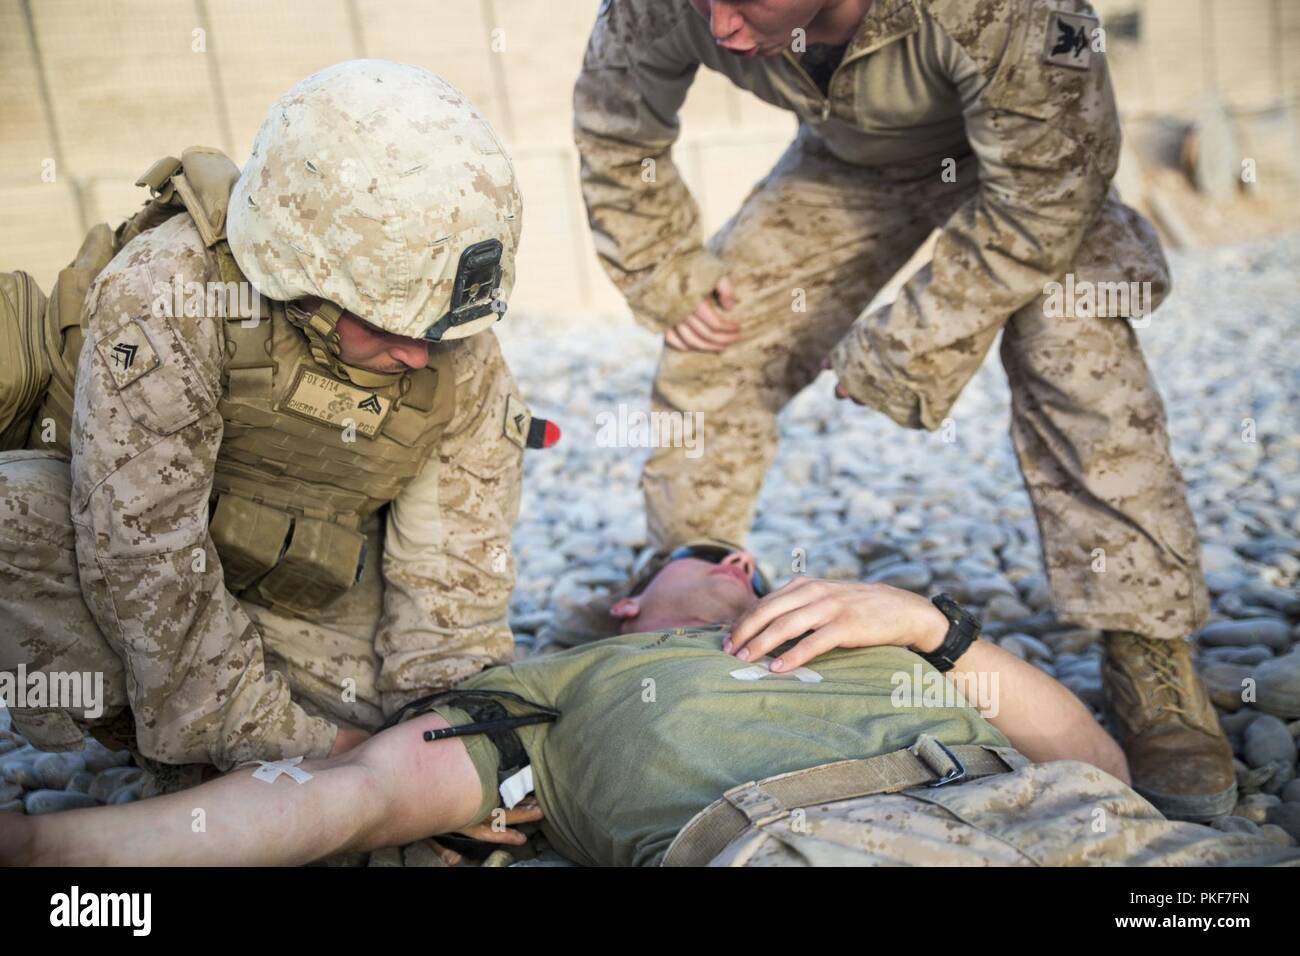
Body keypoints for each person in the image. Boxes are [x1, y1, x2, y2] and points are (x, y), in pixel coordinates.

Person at [570, 0, 1233, 819]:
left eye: (748, 4)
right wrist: (663, 270)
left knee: (1075, 343)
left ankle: (1149, 650)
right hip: (853, 167)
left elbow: (1045, 196)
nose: (723, 29)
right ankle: (687, 594)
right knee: (719, 334)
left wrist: (903, 346)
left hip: (1028, 175)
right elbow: (615, 124)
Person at [3, 544, 1293, 867]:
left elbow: (1105, 765)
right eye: (708, 554)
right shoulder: (561, 688)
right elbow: (348, 797)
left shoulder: (878, 631)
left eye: (751, 556)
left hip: (1069, 818)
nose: (742, 562)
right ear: (629, 606)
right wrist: (52, 855)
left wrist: (928, 622)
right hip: (819, 841)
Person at [0, 60, 552, 791]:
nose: (417, 354)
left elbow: (451, 593)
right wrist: (295, 745)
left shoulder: (459, 346)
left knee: (417, 753)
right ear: (301, 271)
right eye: (387, 323)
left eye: (433, 330)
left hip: (307, 601)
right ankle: (180, 756)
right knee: (14, 513)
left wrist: (447, 743)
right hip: (140, 601)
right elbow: (145, 556)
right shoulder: (172, 290)